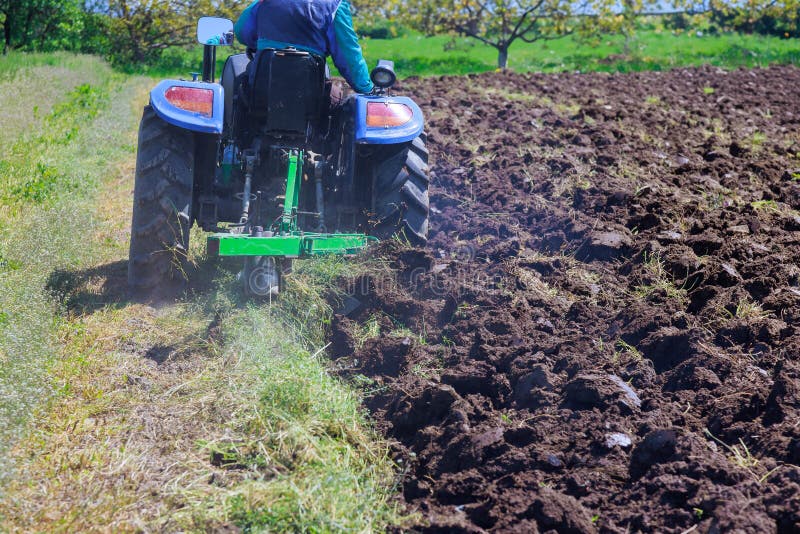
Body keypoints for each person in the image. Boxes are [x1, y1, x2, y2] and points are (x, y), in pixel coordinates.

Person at [234, 0, 373, 94]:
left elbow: (241, 32)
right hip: (310, 95)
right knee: (338, 95)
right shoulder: (335, 5)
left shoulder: (263, 3)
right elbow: (349, 56)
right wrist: (366, 88)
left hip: (261, 89)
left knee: (240, 84)